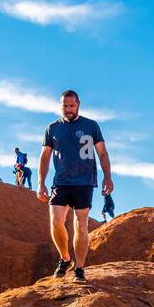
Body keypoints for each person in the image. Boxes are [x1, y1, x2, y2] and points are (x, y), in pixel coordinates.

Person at [38, 89, 113, 283]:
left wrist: (108, 177)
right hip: (61, 182)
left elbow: (102, 153)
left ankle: (79, 268)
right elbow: (45, 156)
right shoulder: (52, 128)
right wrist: (41, 183)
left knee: (81, 224)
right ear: (60, 105)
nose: (68, 109)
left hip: (84, 182)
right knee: (56, 222)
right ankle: (65, 258)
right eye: (65, 106)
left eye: (72, 106)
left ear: (78, 104)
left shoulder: (91, 126)